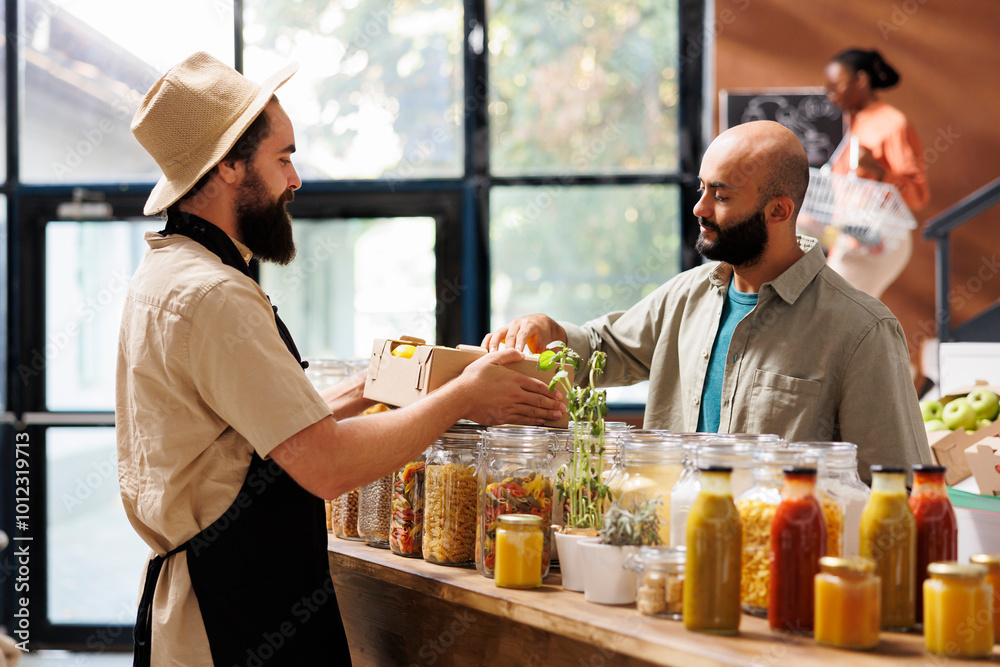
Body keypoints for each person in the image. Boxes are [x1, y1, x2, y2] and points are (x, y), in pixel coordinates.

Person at [118, 52, 565, 667]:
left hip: (220, 596)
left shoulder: (169, 273)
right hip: (234, 616)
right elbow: (324, 465)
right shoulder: (216, 295)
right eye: (282, 158)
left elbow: (251, 437)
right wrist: (463, 396)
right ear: (227, 166)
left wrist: (376, 381)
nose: (295, 179)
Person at [483, 120, 931, 482]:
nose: (699, 208)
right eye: (702, 189)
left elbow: (899, 486)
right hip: (665, 554)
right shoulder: (686, 295)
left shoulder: (862, 330)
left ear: (778, 211)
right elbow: (605, 349)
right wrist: (552, 331)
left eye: (721, 195)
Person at [822, 48, 930, 298]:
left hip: (878, 238)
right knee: (842, 317)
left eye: (836, 86)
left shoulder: (892, 124)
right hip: (850, 238)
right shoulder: (855, 122)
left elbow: (918, 196)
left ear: (861, 80)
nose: (830, 96)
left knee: (837, 311)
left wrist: (879, 171)